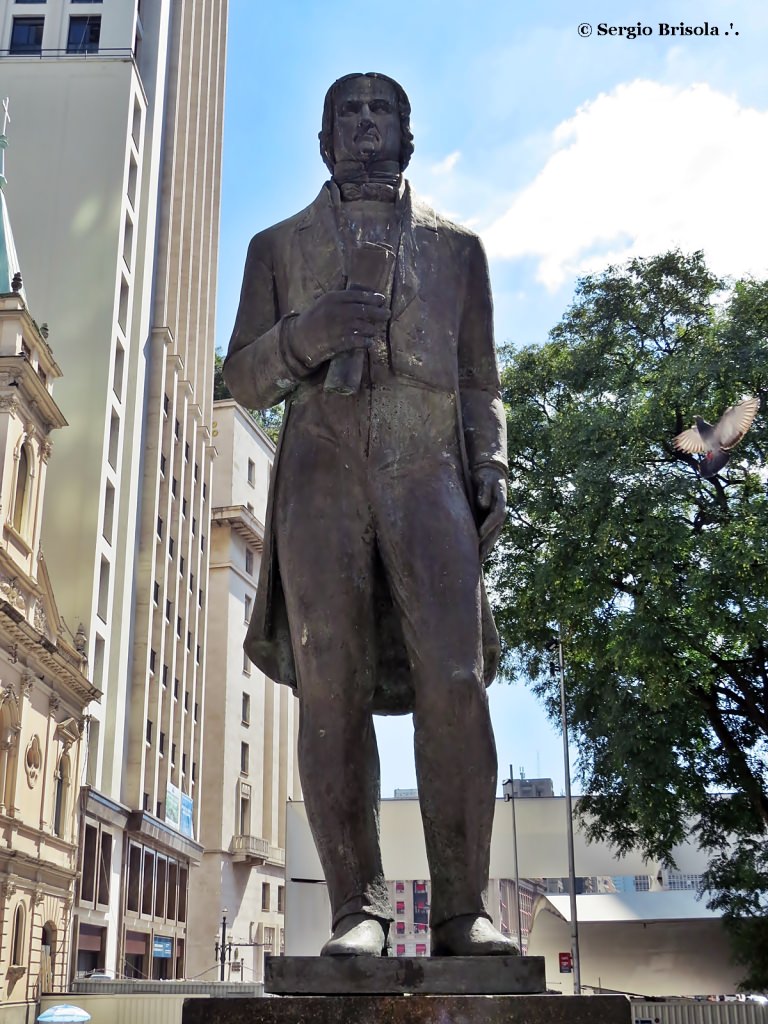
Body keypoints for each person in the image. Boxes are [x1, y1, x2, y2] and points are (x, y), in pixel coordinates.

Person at [224, 72, 514, 958]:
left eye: (379, 109)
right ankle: (357, 906)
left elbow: (479, 378)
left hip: (429, 462)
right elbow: (240, 377)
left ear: (407, 134)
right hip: (321, 465)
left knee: (456, 680)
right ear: (323, 140)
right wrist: (306, 334)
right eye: (345, 112)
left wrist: (491, 458)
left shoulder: (458, 250)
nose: (363, 123)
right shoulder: (277, 247)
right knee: (331, 683)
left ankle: (463, 910)